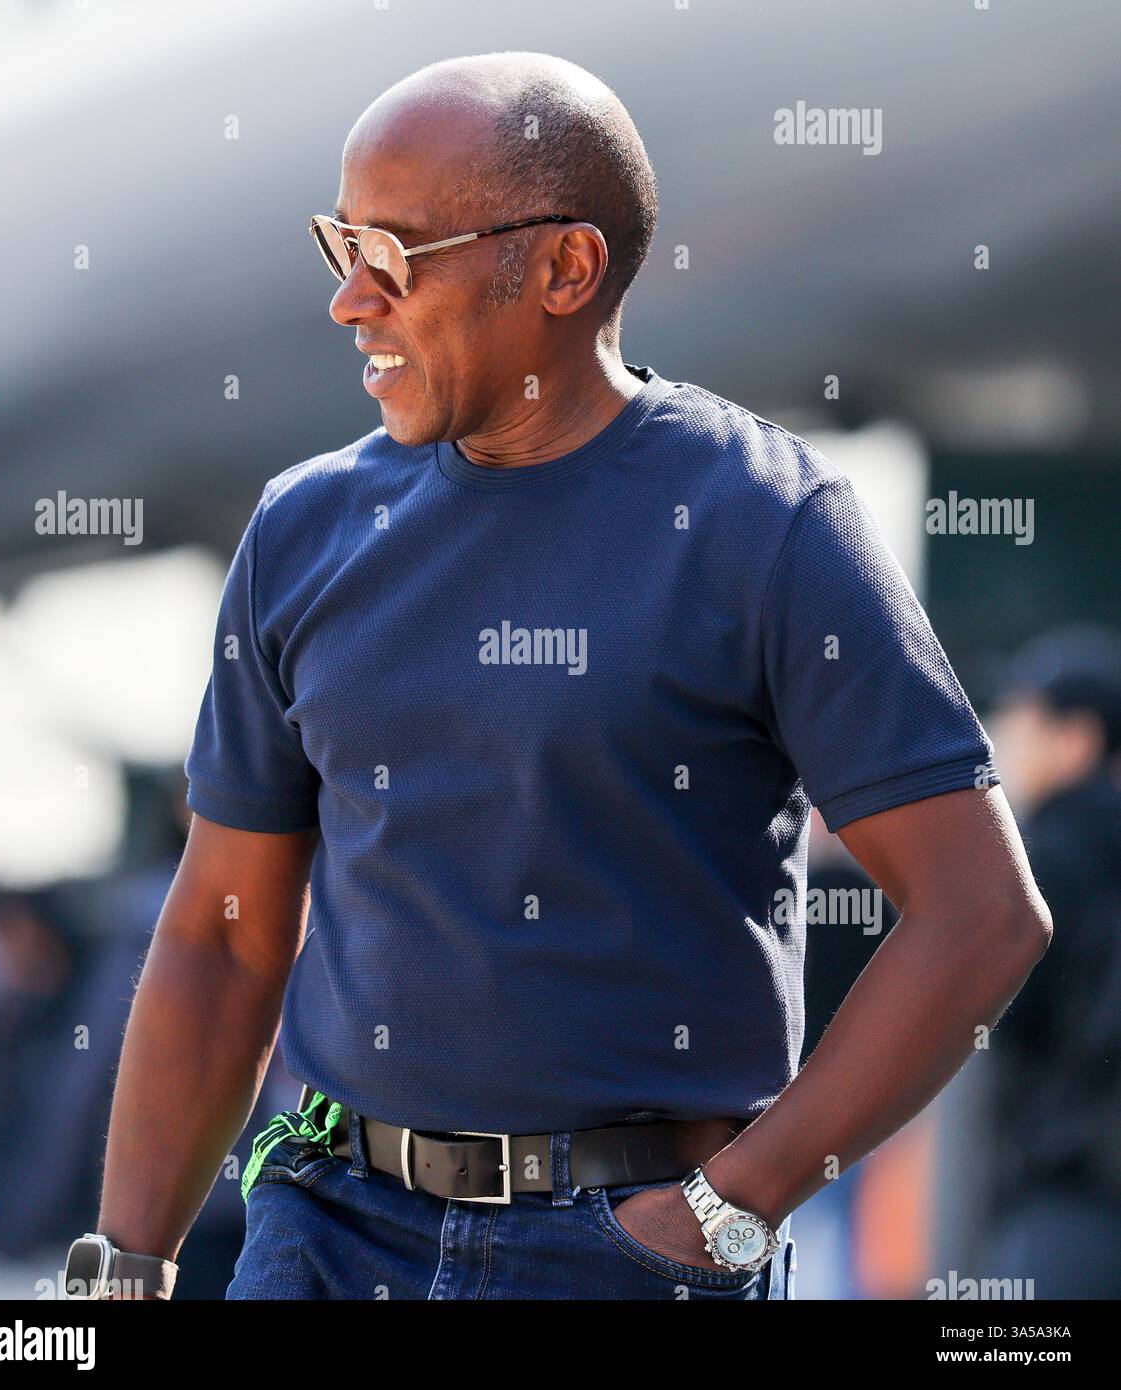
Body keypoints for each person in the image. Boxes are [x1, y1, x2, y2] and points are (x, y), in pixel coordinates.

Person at [85, 51, 1050, 1301]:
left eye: (394, 254)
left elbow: (980, 913)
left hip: (625, 1255)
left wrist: (729, 1211)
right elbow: (222, 935)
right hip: (324, 1232)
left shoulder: (767, 522)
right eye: (342, 244)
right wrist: (120, 1273)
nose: (350, 300)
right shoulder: (302, 530)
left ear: (565, 268)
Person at [980, 625, 1121, 1297]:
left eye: (1022, 718)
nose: (1000, 737)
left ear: (1076, 739)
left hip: (1067, 1196)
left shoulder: (1041, 865)